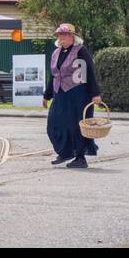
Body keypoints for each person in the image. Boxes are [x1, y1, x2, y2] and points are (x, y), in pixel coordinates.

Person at [43, 23, 102, 168]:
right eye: (60, 35)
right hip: (60, 94)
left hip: (78, 93)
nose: (62, 37)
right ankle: (65, 152)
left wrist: (95, 93)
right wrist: (47, 95)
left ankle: (80, 158)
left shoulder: (80, 51)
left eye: (65, 35)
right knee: (54, 124)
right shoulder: (56, 52)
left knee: (77, 126)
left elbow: (88, 72)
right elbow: (54, 75)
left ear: (73, 37)